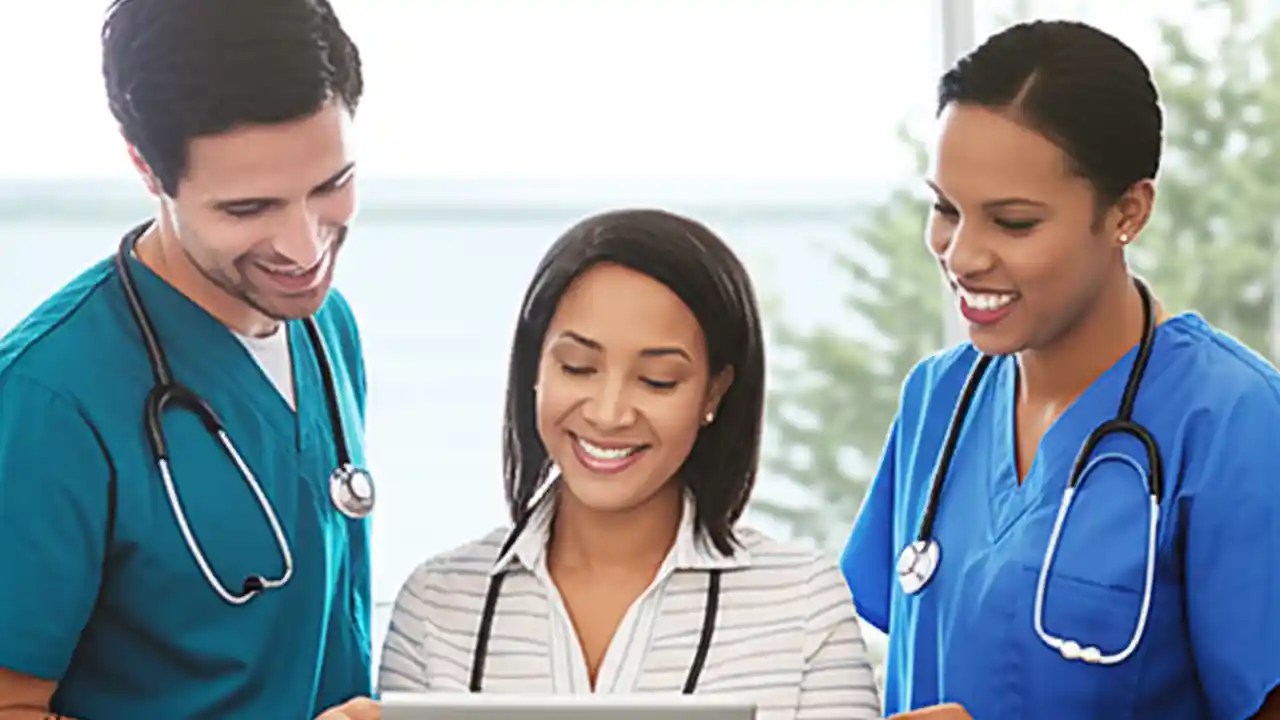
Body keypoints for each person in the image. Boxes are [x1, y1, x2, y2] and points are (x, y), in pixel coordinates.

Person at [841, 19, 1280, 720]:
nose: (961, 255)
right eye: (946, 209)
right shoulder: (938, 397)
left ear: (1127, 213)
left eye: (1012, 222)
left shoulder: (1235, 419)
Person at [0, 1, 380, 717]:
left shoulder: (328, 329)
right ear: (147, 169)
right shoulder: (45, 400)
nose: (304, 250)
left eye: (330, 186)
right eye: (248, 209)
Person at [377, 209, 881, 719]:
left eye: (658, 380)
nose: (609, 413)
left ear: (715, 391)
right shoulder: (435, 604)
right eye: (578, 367)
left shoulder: (802, 602)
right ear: (535, 367)